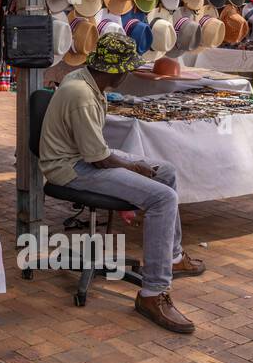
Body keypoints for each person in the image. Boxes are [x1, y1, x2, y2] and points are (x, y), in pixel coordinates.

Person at [38, 33, 205, 334]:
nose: (128, 73)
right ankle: (153, 293)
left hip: (84, 155)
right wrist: (133, 168)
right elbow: (98, 158)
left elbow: (97, 151)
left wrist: (135, 170)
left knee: (165, 171)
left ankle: (173, 256)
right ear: (114, 70)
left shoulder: (88, 80)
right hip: (71, 167)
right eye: (126, 68)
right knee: (162, 198)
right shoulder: (81, 94)